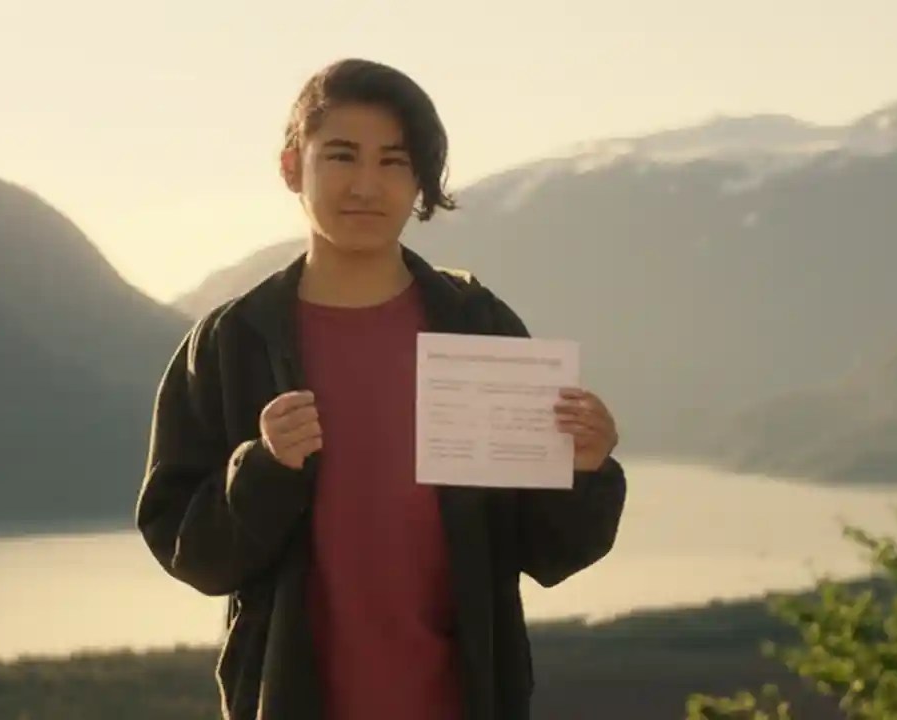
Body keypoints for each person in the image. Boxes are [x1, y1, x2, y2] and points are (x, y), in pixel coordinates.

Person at [135, 58, 628, 720]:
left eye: (394, 162)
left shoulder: (477, 327)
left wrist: (584, 470)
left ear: (420, 179)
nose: (367, 184)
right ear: (291, 166)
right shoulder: (233, 343)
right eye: (342, 155)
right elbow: (190, 553)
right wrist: (261, 470)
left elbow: (547, 550)